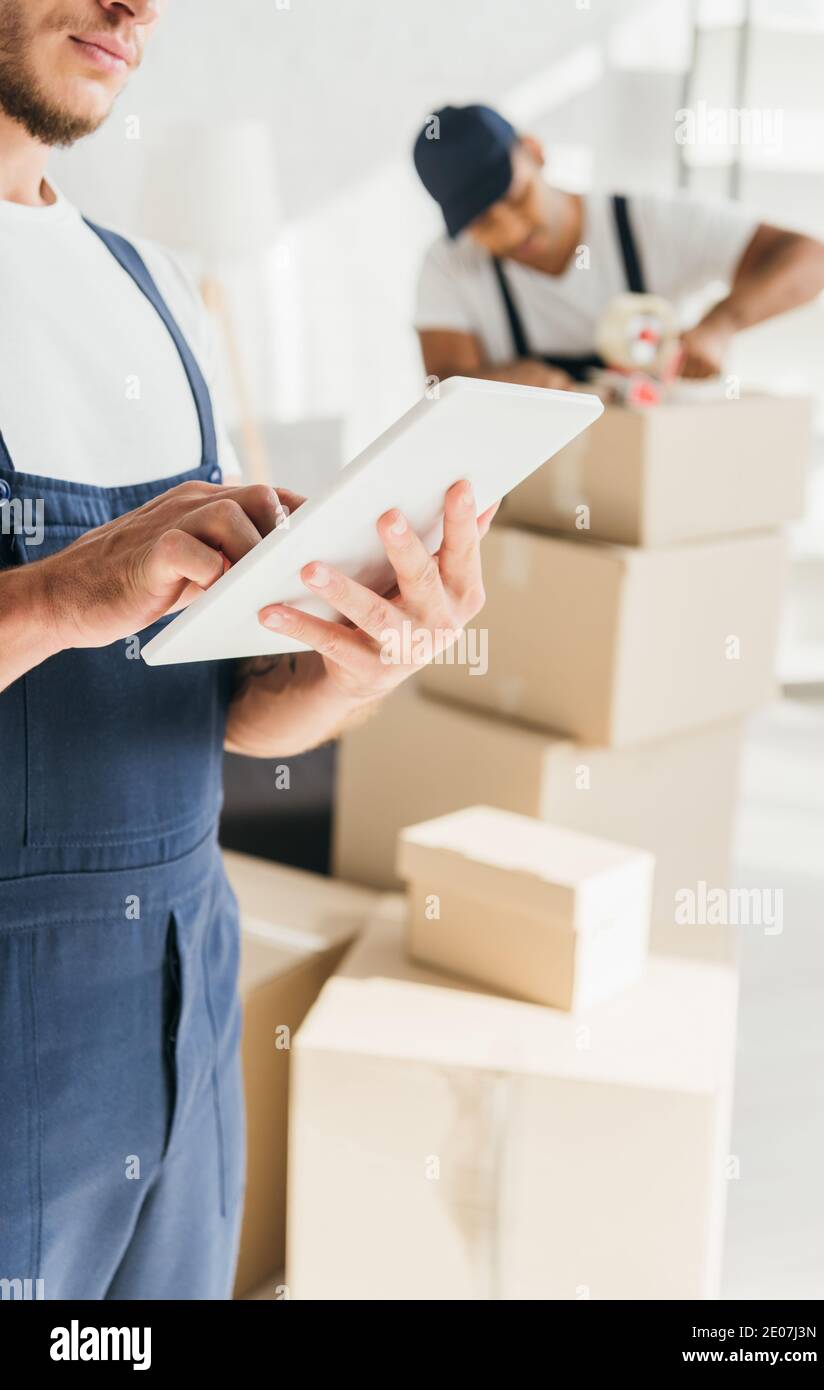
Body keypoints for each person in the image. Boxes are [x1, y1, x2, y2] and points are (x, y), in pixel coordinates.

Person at [0, 0, 493, 1301]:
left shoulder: (164, 294)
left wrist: (358, 657)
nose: (135, 10)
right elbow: (68, 618)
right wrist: (53, 598)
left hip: (182, 968)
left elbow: (236, 717)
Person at [412, 103, 824, 389]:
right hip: (539, 501)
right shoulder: (449, 266)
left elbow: (816, 259)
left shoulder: (647, 221)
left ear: (535, 152)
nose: (510, 230)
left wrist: (719, 326)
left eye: (515, 197)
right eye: (482, 222)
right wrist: (507, 384)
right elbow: (444, 390)